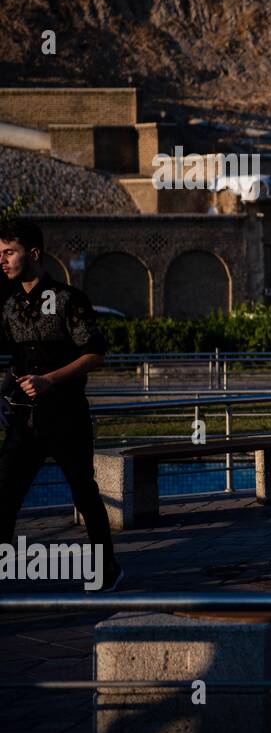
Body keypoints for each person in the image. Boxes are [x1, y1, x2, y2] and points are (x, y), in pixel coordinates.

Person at [0, 219, 122, 592]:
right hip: (24, 420)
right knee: (4, 496)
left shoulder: (69, 300)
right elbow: (16, 360)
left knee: (85, 493)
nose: (2, 261)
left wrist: (50, 380)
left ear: (33, 254)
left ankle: (107, 569)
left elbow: (96, 353)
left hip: (66, 417)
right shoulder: (8, 305)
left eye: (9, 253)